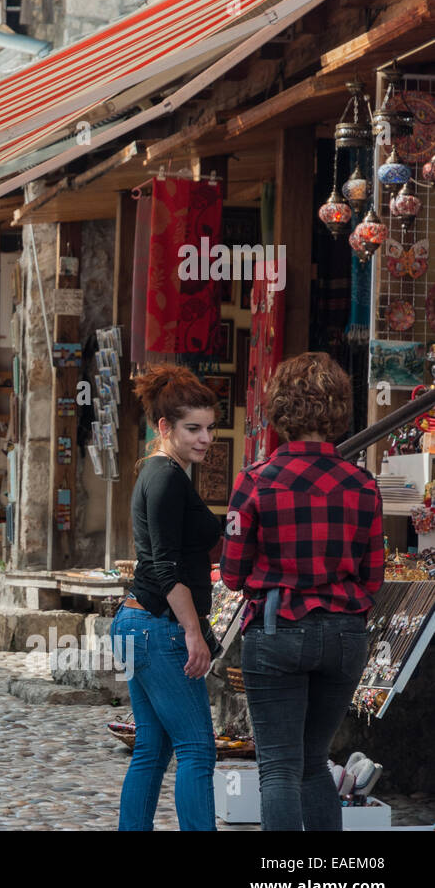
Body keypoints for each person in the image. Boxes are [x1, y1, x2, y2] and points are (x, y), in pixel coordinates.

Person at [222, 353, 382, 831]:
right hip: (344, 635)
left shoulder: (254, 481)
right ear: (338, 410)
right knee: (315, 762)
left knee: (279, 768)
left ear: (280, 409)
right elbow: (372, 577)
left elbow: (232, 574)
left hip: (277, 628)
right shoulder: (364, 485)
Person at [111, 364, 223, 831]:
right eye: (193, 429)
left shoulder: (171, 474)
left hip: (139, 625)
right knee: (198, 748)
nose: (205, 439)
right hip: (159, 628)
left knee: (153, 750)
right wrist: (194, 632)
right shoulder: (165, 477)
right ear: (164, 428)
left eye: (210, 428)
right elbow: (163, 565)